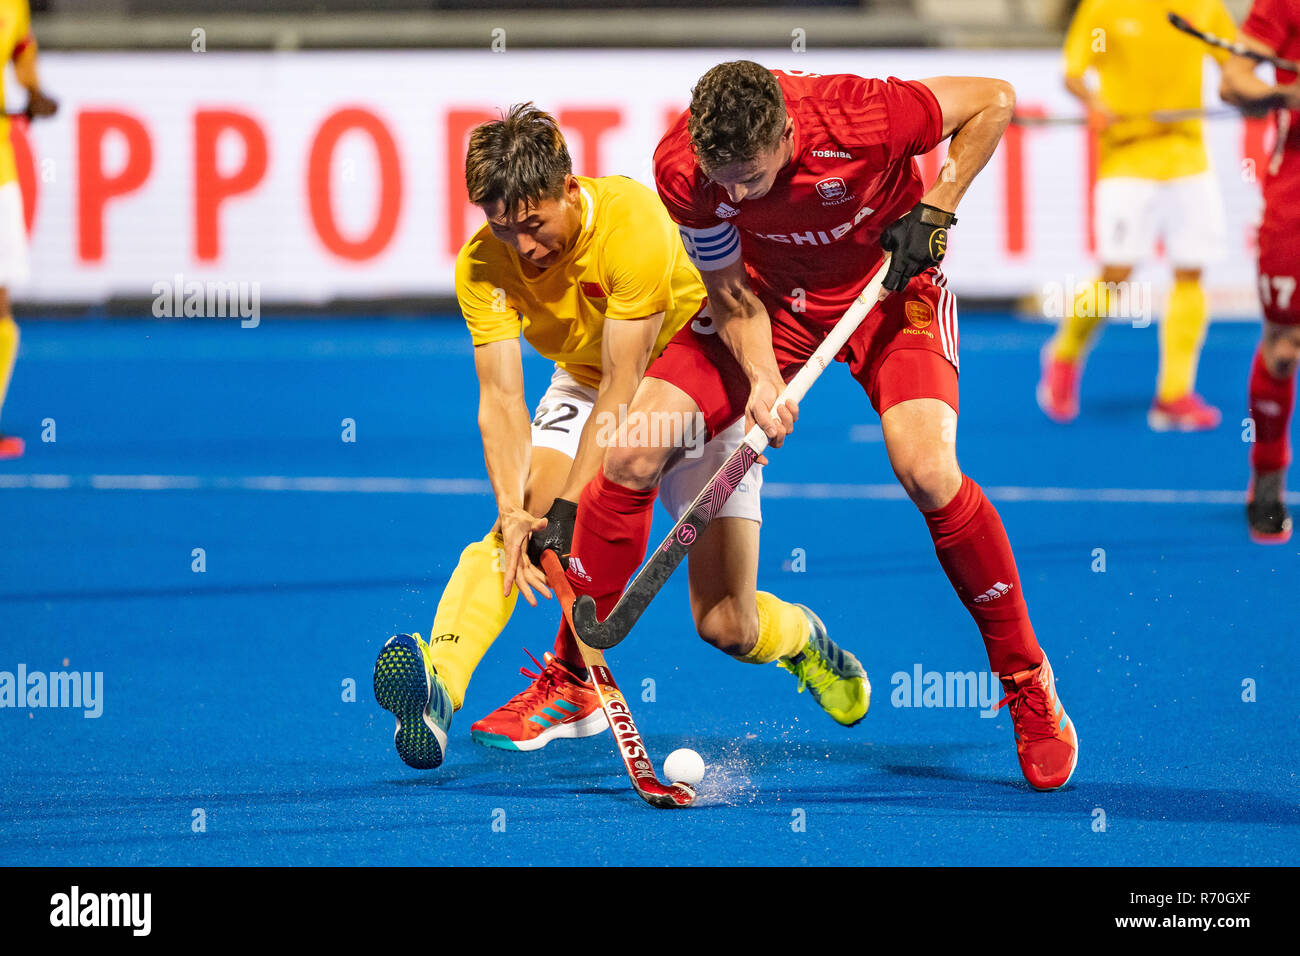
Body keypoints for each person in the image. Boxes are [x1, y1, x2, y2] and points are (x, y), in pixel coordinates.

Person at [546, 61, 1078, 791]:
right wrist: (764, 379)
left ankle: (1025, 680)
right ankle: (573, 677)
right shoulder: (683, 168)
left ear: (789, 136)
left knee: (927, 470)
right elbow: (729, 293)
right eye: (721, 179)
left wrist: (939, 206)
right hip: (769, 303)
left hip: (892, 293)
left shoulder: (862, 117)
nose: (731, 194)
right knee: (635, 448)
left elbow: (995, 100)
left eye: (750, 180)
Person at [373, 105, 868, 770]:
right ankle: (443, 684)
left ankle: (802, 637)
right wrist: (516, 509)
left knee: (727, 624)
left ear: (567, 190)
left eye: (533, 224)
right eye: (502, 227)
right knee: (519, 529)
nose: (522, 246)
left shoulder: (629, 222)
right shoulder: (483, 266)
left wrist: (573, 504)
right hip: (583, 382)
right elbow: (500, 397)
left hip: (694, 382)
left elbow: (626, 383)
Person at [1038, 0, 1238, 430]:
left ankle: (1174, 394)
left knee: (1191, 272)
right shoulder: (1104, 10)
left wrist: (1246, 92)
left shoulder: (1204, 7)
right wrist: (1095, 102)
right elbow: (1074, 72)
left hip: (1189, 156)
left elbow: (1231, 61)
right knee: (1116, 272)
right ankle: (1065, 354)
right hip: (1127, 156)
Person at [1219, 0, 1300, 542]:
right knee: (1284, 346)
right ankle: (1267, 478)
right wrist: (1282, 94)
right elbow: (1233, 81)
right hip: (1294, 201)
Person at [0, 0, 57, 459]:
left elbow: (22, 58)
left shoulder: (14, 7)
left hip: (1, 171)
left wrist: (34, 93)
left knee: (1, 301)